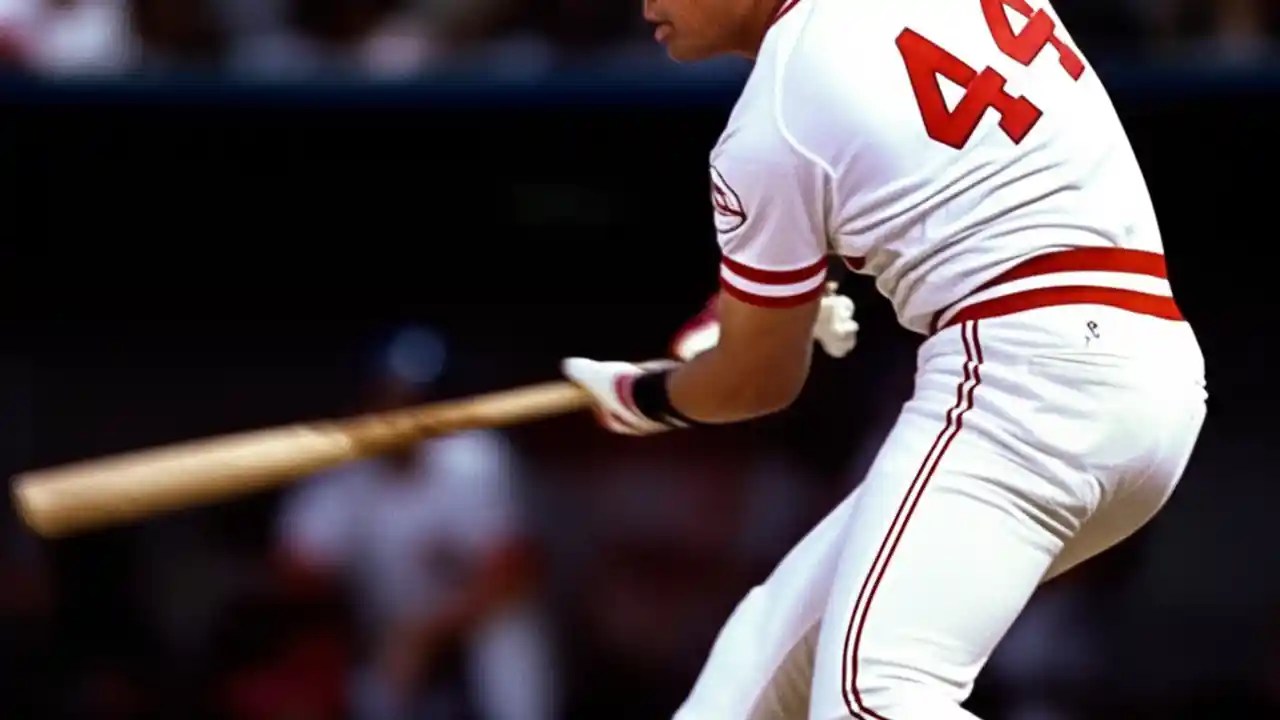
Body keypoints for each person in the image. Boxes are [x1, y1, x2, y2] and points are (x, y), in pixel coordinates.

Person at [559, 0, 1208, 717]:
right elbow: (926, 152)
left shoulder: (775, 108)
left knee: (872, 697)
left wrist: (646, 397)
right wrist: (771, 305)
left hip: (1027, 376)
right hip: (1152, 371)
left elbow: (757, 381)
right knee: (754, 668)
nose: (646, 3)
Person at [276, 327, 557, 720]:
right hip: (387, 630)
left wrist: (427, 633)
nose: (403, 412)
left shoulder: (474, 458)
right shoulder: (342, 477)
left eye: (416, 399)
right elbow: (294, 575)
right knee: (361, 680)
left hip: (470, 618)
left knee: (508, 638)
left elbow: (516, 571)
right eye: (389, 397)